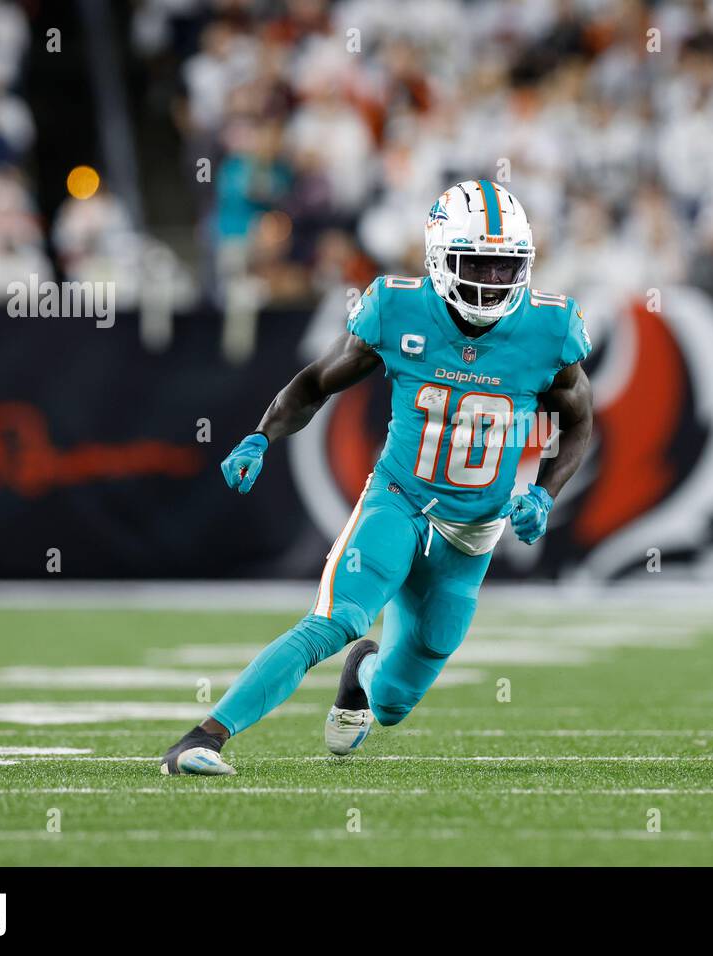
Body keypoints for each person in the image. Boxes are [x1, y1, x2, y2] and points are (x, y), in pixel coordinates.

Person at [161, 180, 594, 774]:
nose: (494, 280)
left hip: (474, 530)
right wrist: (263, 435)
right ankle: (201, 739)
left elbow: (578, 422)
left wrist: (545, 492)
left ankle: (363, 674)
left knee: (394, 702)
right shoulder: (396, 308)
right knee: (335, 620)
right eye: (480, 264)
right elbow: (316, 382)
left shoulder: (550, 327)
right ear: (440, 257)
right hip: (400, 498)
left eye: (506, 265)